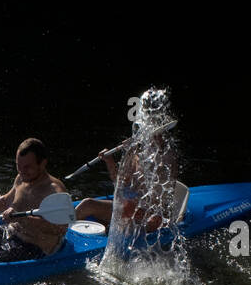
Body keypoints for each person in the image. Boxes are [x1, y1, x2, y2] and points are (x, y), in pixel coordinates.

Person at [75, 91, 180, 232]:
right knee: (86, 204)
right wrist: (110, 161)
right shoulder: (137, 153)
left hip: (155, 216)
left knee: (127, 213)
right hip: (133, 208)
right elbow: (120, 186)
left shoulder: (167, 156)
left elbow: (155, 195)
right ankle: (59, 235)